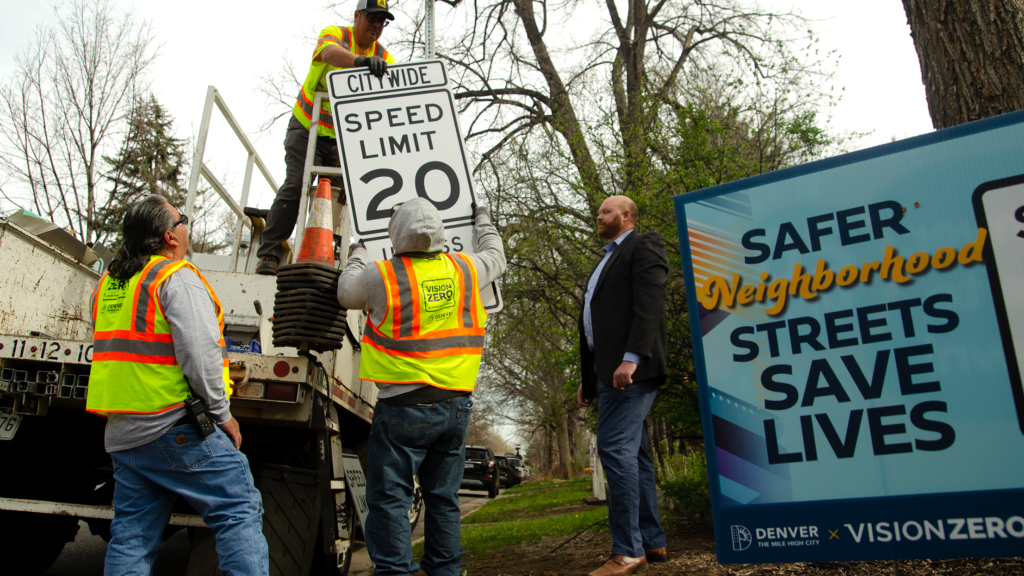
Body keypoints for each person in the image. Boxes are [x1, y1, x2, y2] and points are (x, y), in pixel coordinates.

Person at [87, 196, 268, 576]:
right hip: (172, 426)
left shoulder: (107, 284)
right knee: (238, 508)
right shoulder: (176, 277)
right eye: (182, 220)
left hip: (124, 432)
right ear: (170, 236)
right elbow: (201, 357)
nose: (187, 226)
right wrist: (223, 415)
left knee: (132, 535)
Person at [337, 198, 506, 576]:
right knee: (444, 497)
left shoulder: (382, 276)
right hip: (455, 406)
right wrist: (482, 220)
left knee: (390, 499)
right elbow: (496, 255)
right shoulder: (465, 269)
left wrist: (357, 252)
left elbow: (346, 293)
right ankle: (445, 571)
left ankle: (395, 572)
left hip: (403, 405)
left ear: (396, 236)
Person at [257, 0, 397, 275]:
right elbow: (328, 53)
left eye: (382, 21)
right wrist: (360, 63)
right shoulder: (336, 34)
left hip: (342, 140)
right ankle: (269, 254)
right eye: (372, 18)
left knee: (339, 195)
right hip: (306, 125)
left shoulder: (384, 56)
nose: (377, 26)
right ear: (357, 16)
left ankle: (328, 256)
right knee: (297, 183)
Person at [577, 195, 670, 576]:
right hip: (608, 373)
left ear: (626, 214)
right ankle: (651, 541)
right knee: (635, 455)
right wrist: (588, 380)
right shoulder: (606, 257)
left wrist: (632, 358)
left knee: (614, 448)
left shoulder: (642, 244)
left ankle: (628, 551)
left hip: (630, 370)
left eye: (605, 211)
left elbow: (649, 304)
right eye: (598, 212)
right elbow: (596, 321)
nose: (598, 216)